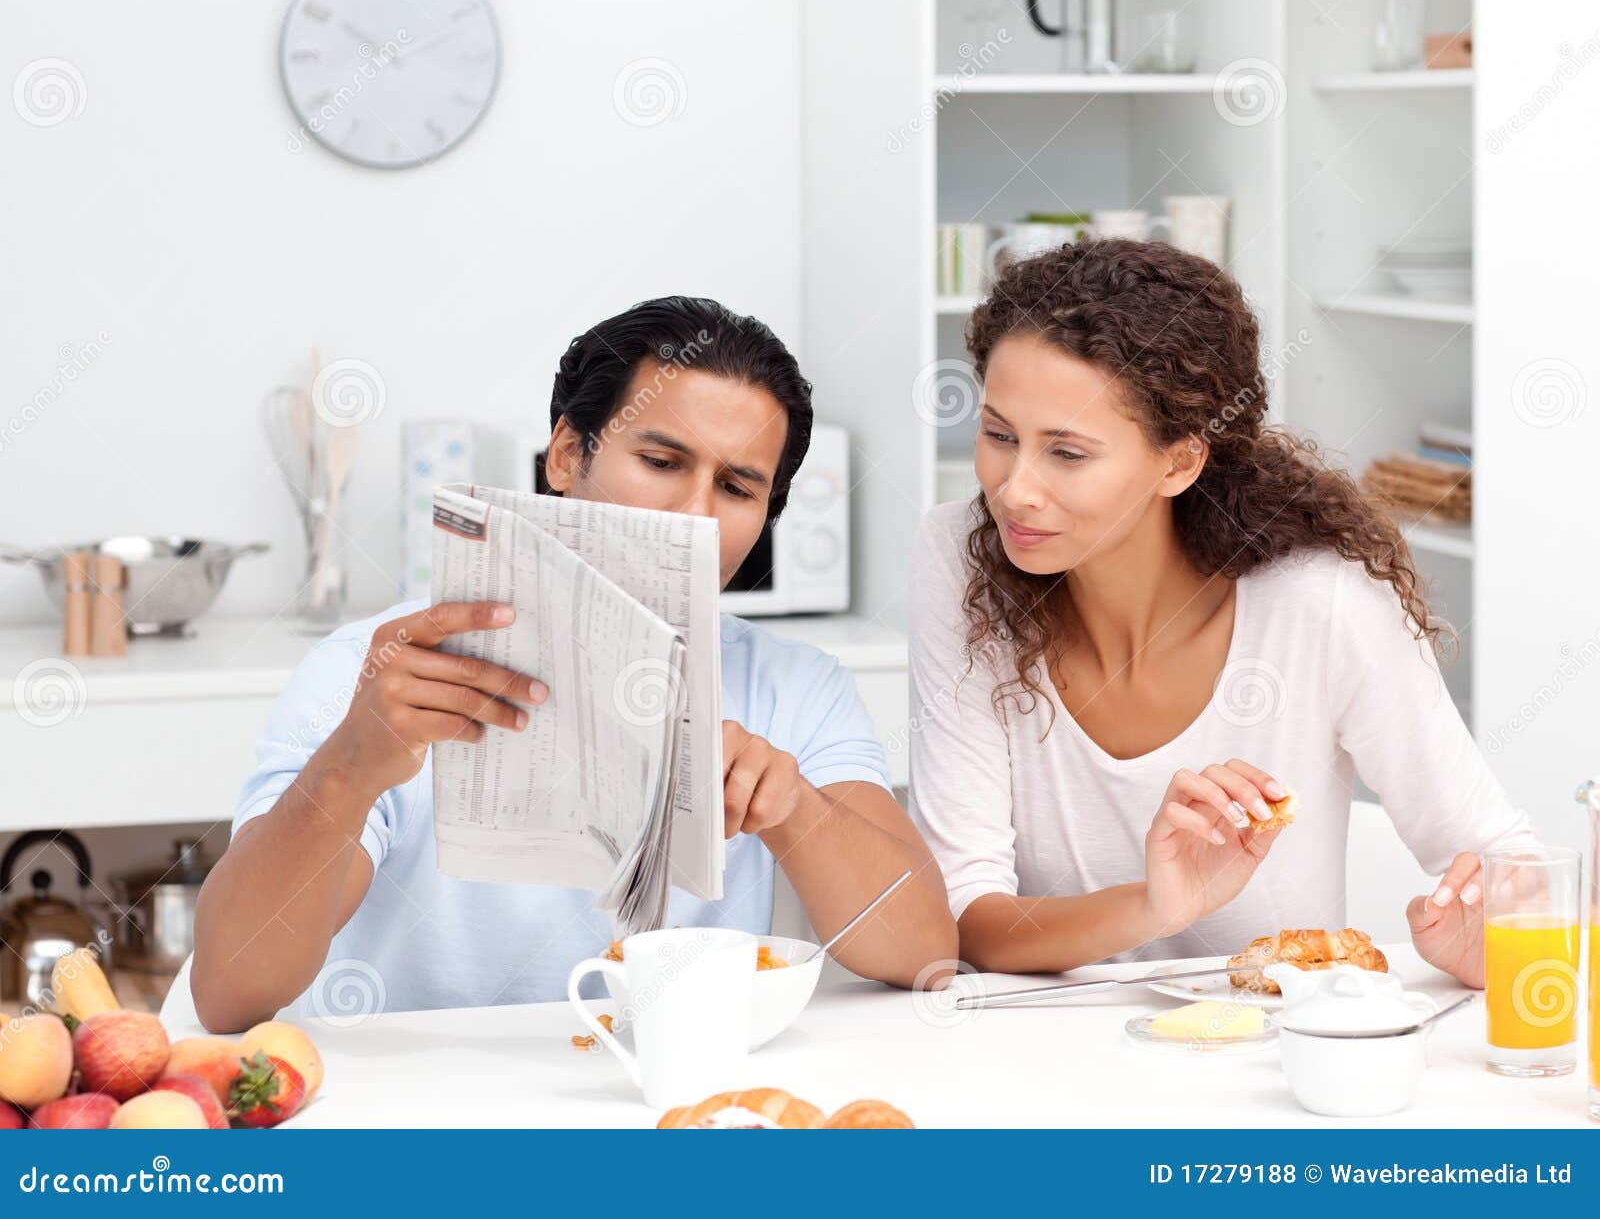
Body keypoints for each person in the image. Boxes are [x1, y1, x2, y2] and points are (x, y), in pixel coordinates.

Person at [193, 296, 955, 1031]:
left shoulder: (796, 688)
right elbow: (229, 991)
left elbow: (925, 954)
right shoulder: (376, 673)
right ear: (565, 454)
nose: (694, 516)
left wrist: (794, 810)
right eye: (661, 461)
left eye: (735, 487)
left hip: (671, 1094)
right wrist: (349, 767)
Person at [908, 239, 1531, 987]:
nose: (1014, 490)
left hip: (1278, 1051)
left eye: (1067, 454)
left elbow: (1506, 864)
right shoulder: (962, 557)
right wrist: (1154, 906)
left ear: (1179, 461)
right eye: (999, 435)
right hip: (1042, 1052)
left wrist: (1483, 943)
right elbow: (964, 917)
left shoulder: (1319, 601)